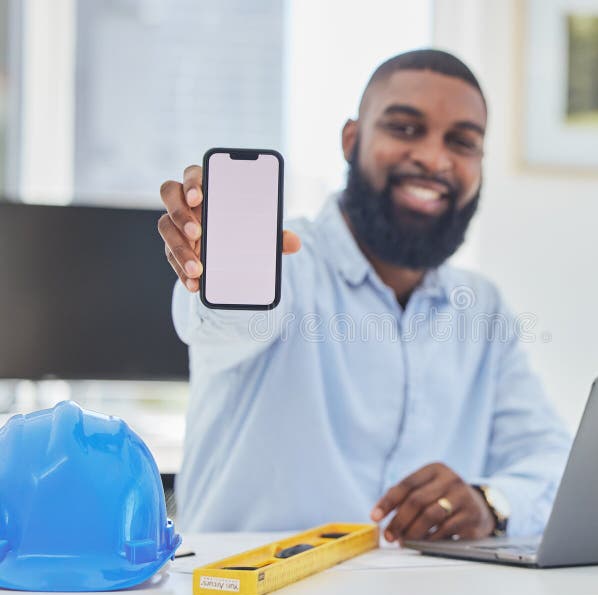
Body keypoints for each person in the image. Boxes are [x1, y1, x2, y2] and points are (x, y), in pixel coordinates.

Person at [158, 49, 571, 542]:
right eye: (405, 128)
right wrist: (214, 263)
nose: (434, 159)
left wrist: (491, 503)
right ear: (352, 140)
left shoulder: (481, 308)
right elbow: (223, 326)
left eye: (461, 142)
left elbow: (552, 461)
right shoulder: (283, 261)